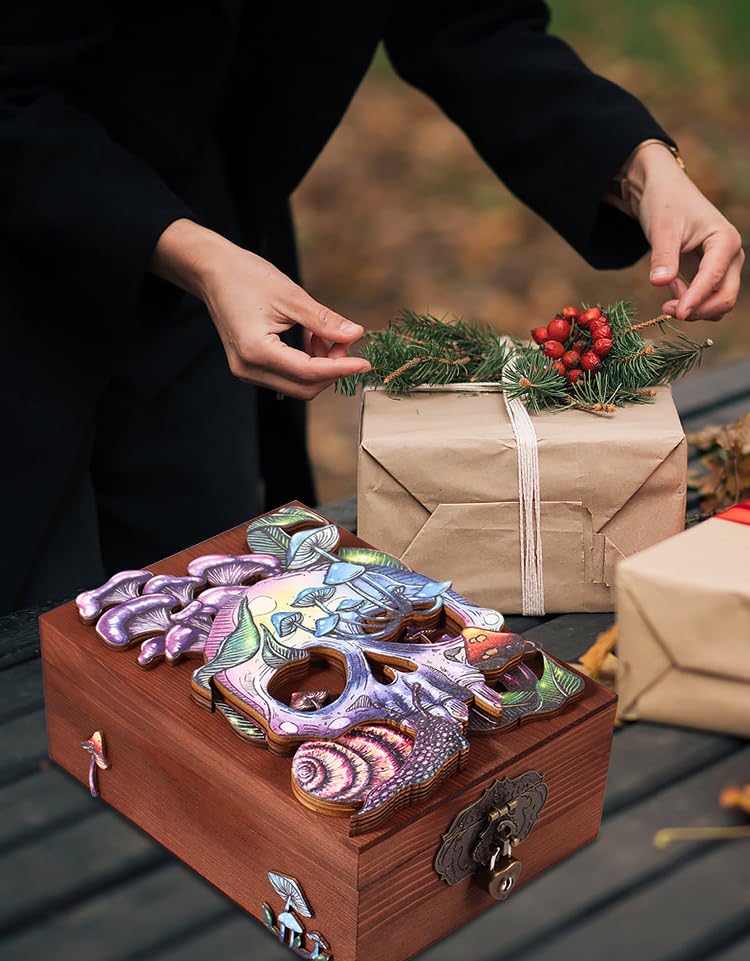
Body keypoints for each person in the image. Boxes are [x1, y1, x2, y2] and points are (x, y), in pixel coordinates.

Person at [0, 2, 742, 613]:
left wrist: (641, 169)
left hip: (198, 270)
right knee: (33, 661)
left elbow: (471, 23)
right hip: (28, 292)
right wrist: (197, 252)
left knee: (205, 607)